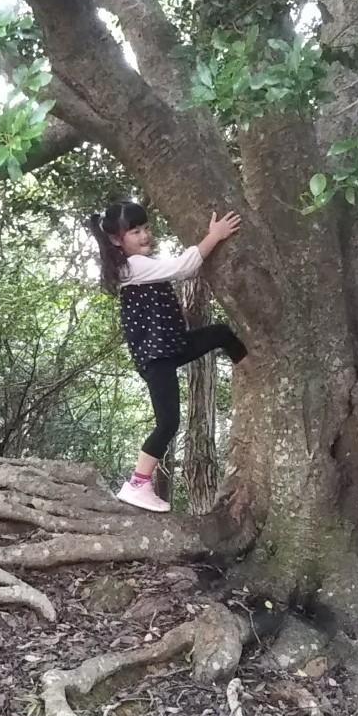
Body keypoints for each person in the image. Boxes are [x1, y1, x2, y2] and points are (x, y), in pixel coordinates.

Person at [87, 200, 245, 512]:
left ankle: (252, 368)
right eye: (135, 231)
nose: (145, 235)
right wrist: (215, 235)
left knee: (221, 334)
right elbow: (184, 268)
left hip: (170, 348)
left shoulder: (136, 265)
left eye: (145, 228)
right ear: (117, 240)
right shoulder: (132, 267)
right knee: (168, 423)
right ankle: (137, 483)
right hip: (157, 357)